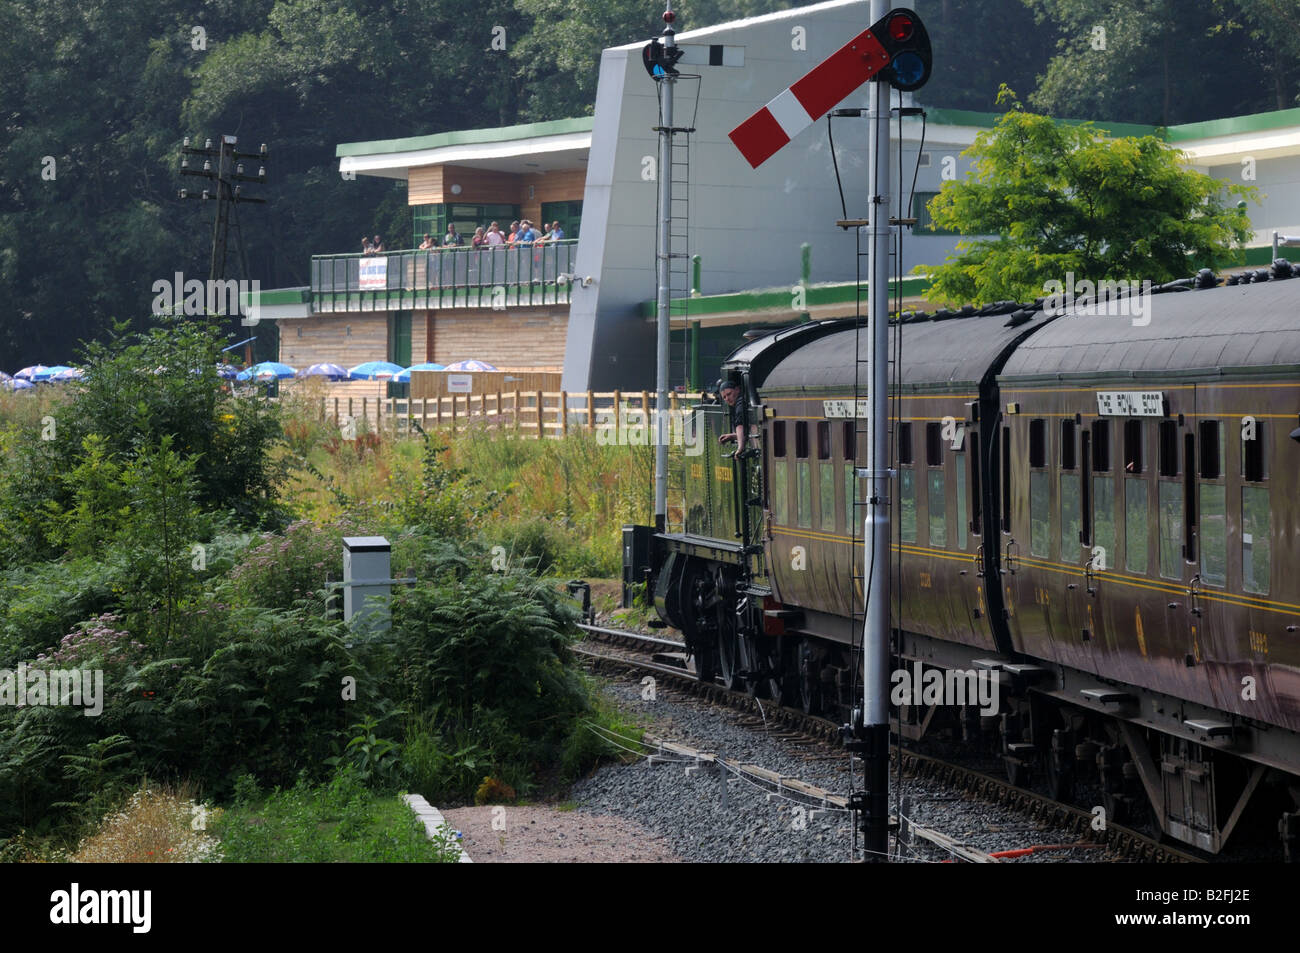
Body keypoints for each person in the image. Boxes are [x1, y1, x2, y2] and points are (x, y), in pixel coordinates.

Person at [717, 380, 748, 454]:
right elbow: (747, 434)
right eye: (724, 397)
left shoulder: (741, 403)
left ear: (737, 390)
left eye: (729, 394)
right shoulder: (735, 405)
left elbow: (740, 425)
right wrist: (732, 436)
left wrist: (740, 448)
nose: (727, 399)